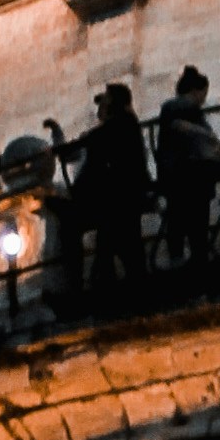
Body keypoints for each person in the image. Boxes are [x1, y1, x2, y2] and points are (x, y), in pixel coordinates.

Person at [64, 86, 151, 303]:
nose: (99, 107)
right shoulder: (127, 126)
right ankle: (119, 288)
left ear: (113, 104)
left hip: (115, 201)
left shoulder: (114, 129)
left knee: (76, 228)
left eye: (103, 101)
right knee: (124, 248)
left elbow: (92, 169)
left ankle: (78, 286)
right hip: (124, 199)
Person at [153, 66, 220, 272]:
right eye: (204, 93)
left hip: (174, 178)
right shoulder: (190, 109)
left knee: (176, 228)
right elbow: (202, 144)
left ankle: (179, 269)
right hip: (195, 178)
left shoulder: (168, 108)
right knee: (197, 232)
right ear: (197, 90)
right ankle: (199, 274)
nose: (204, 98)